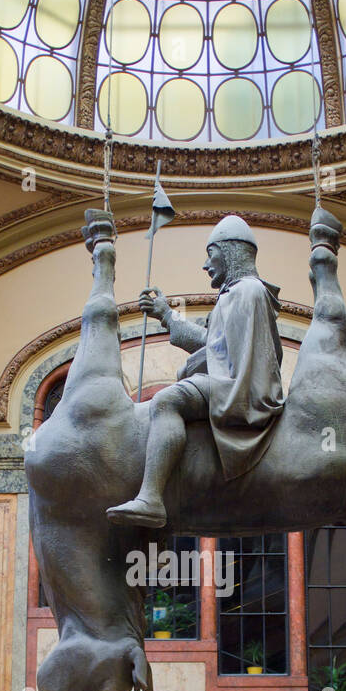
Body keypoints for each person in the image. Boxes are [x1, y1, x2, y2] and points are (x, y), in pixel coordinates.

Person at [107, 215, 284, 529]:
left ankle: (151, 497)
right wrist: (167, 316)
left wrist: (175, 333)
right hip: (232, 381)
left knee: (166, 402)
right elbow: (216, 345)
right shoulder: (241, 293)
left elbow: (221, 351)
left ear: (229, 251)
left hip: (240, 389)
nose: (206, 264)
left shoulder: (247, 292)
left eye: (211, 253)